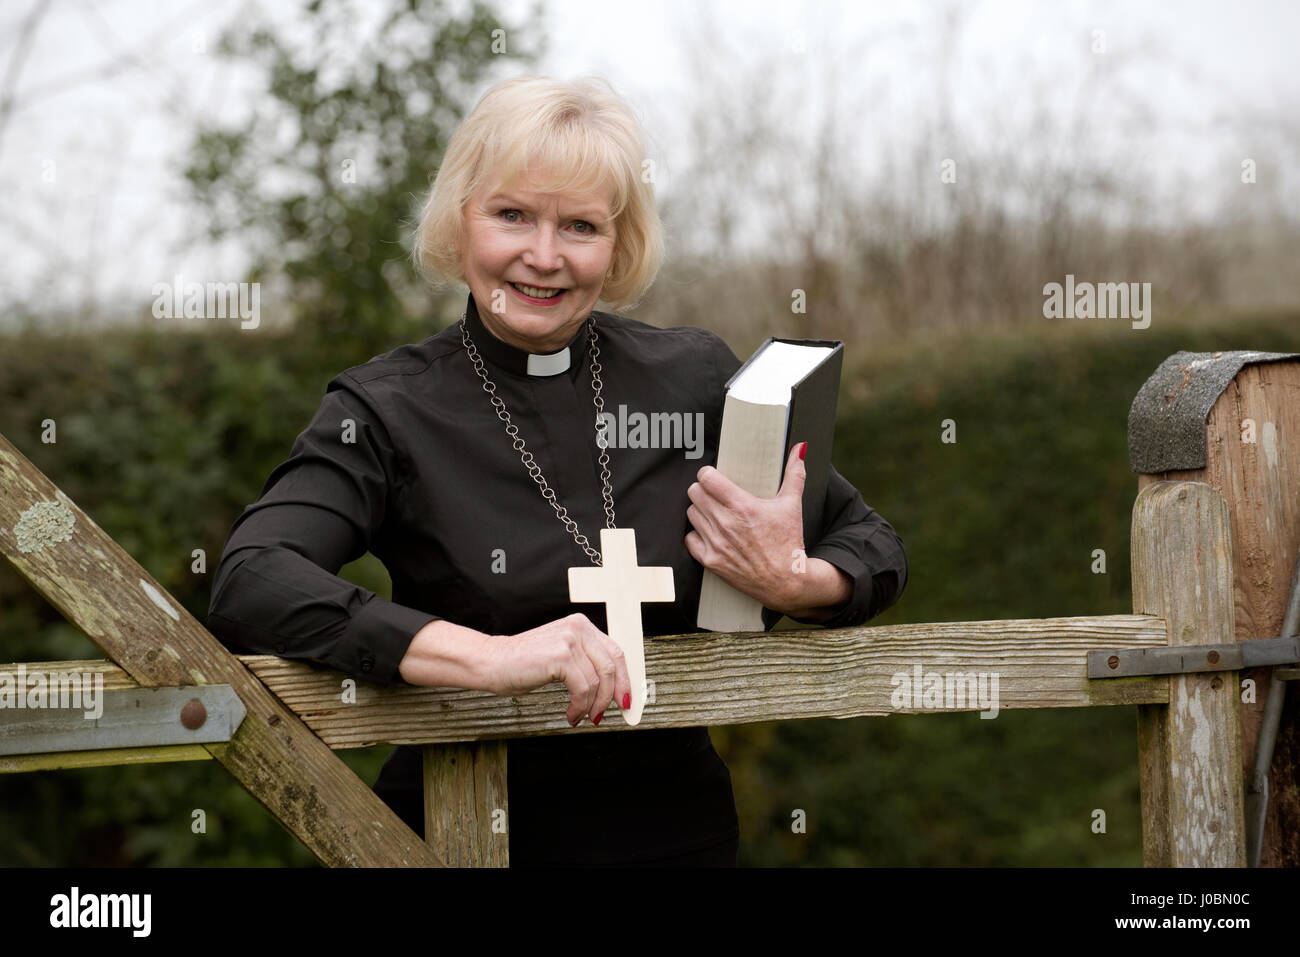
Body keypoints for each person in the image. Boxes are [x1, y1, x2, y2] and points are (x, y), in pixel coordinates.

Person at [207, 74, 908, 867]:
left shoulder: (696, 379)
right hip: (460, 828)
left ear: (618, 247)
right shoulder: (386, 409)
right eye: (512, 215)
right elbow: (253, 578)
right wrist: (488, 657)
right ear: (461, 218)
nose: (543, 257)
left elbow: (872, 544)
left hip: (675, 835)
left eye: (579, 225)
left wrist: (798, 581)